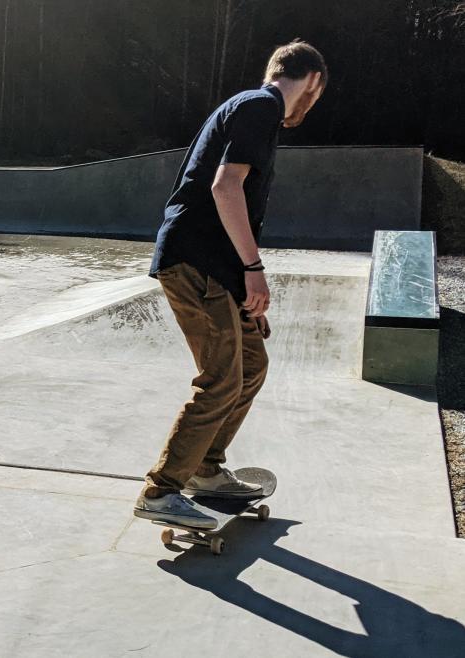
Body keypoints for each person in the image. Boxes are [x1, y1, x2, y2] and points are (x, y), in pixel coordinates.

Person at [133, 40, 327, 529]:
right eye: (316, 96)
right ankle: (162, 490)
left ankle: (206, 468)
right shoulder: (262, 106)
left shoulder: (251, 109)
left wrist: (245, 288)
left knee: (252, 364)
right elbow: (225, 186)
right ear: (313, 82)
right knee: (221, 378)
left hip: (216, 268)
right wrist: (254, 267)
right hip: (195, 261)